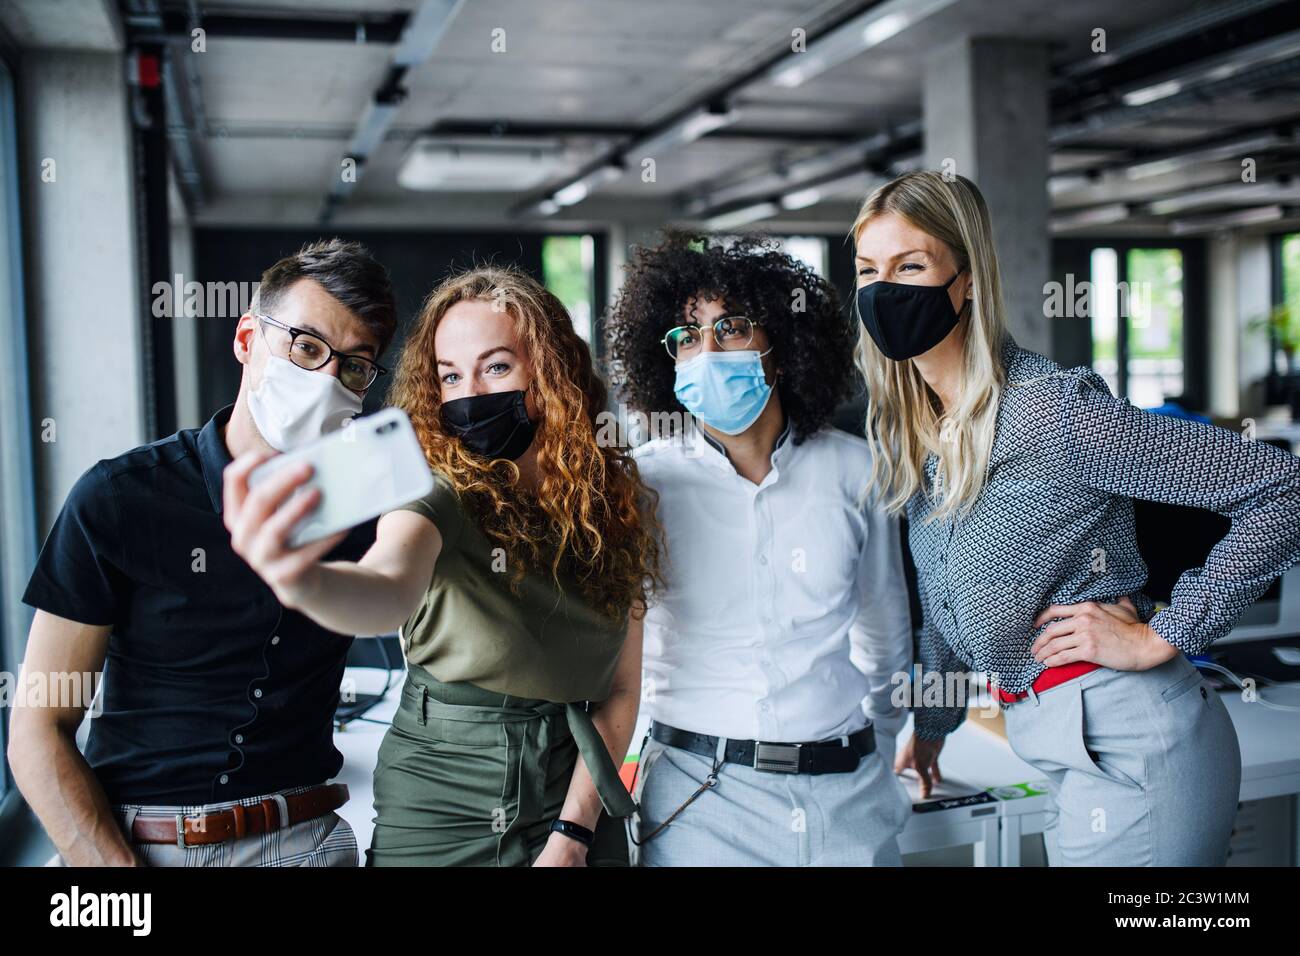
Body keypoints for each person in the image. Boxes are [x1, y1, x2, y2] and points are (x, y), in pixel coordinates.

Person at [853, 170, 1300, 865]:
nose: (885, 291)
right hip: (1051, 737)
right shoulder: (919, 430)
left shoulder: (1053, 412)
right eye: (868, 270)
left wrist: (1168, 633)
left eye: (911, 266)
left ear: (966, 280)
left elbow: (1284, 488)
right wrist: (934, 723)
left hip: (1133, 741)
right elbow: (943, 600)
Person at [222, 266, 662, 866]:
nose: (472, 394)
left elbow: (622, 690)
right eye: (450, 376)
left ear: (552, 371)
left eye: (497, 366)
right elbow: (386, 585)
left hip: (574, 791)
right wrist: (304, 579)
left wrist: (574, 833)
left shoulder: (615, 504)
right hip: (441, 798)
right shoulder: (438, 493)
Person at [9, 238, 397, 866]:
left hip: (302, 840)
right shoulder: (119, 498)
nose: (326, 380)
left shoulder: (368, 511)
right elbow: (36, 732)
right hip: (128, 844)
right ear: (247, 339)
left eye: (352, 366)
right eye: (305, 346)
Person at [604, 231, 914, 866]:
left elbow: (885, 637)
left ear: (782, 346)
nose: (707, 352)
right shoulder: (640, 484)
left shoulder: (858, 470)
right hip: (698, 800)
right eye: (686, 337)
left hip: (849, 796)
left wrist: (873, 749)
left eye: (732, 328)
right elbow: (615, 668)